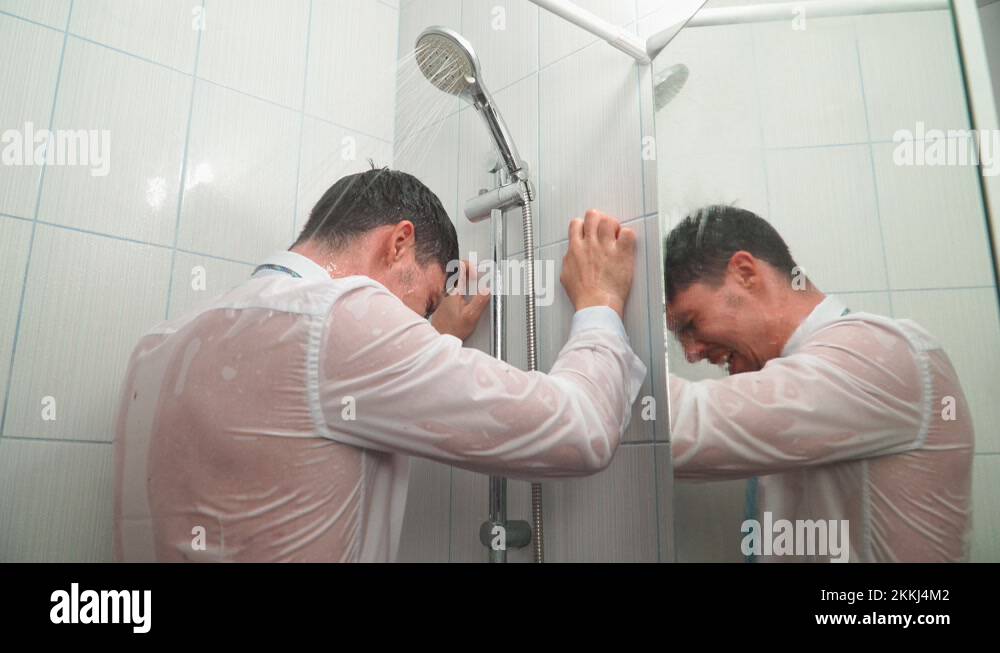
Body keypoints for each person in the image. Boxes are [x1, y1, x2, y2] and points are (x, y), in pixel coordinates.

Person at [113, 165, 646, 562]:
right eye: (428, 300)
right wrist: (599, 301)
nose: (417, 322)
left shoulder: (162, 343)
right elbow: (582, 430)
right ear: (398, 244)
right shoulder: (343, 317)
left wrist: (436, 331)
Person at [664, 205, 974, 562]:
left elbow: (677, 429)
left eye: (690, 324)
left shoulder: (881, 355)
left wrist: (601, 310)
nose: (691, 353)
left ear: (745, 273)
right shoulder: (793, 372)